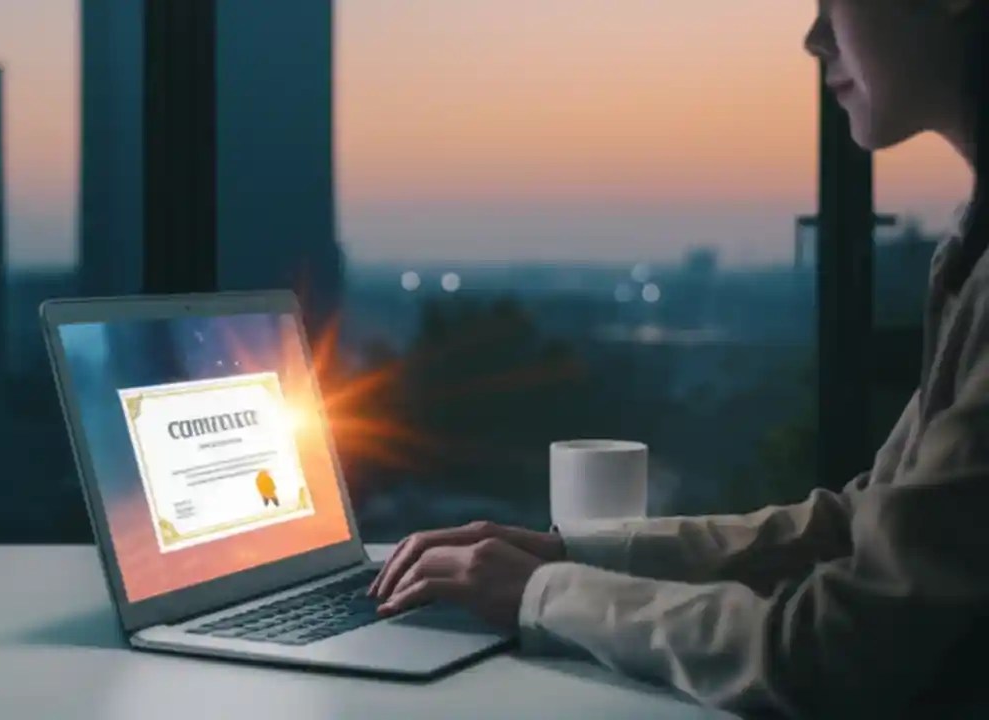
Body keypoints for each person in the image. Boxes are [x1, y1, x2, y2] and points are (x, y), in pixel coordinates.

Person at [367, 2, 989, 716]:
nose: (814, 38)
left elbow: (831, 649)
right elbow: (852, 524)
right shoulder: (972, 258)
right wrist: (567, 555)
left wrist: (540, 594)